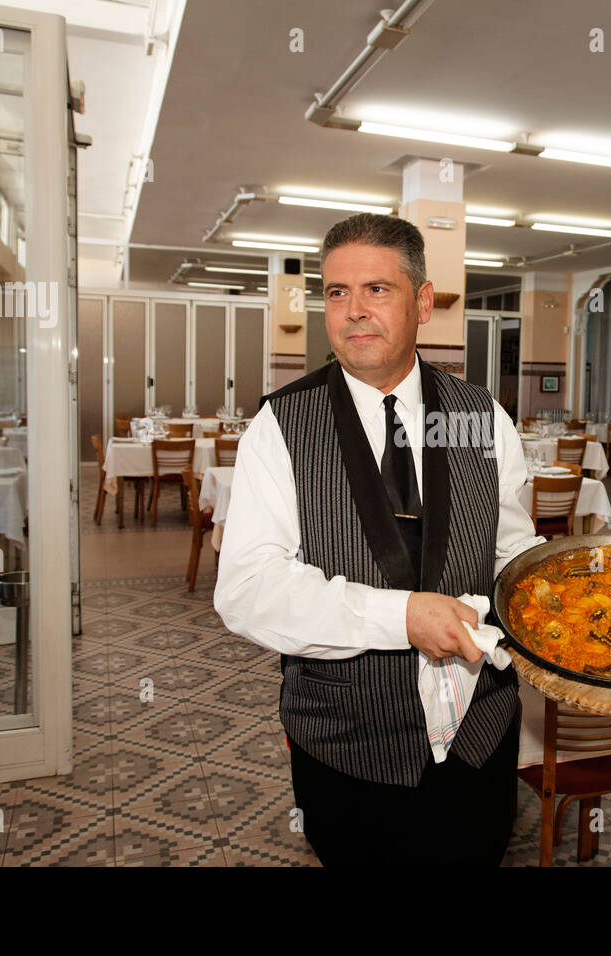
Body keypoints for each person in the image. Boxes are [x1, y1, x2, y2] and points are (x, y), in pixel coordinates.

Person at [213, 213, 546, 866]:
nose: (353, 311)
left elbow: (509, 552)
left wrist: (561, 597)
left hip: (480, 739)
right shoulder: (282, 426)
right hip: (348, 750)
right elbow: (248, 588)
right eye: (337, 292)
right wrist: (402, 615)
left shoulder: (481, 417)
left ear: (423, 301)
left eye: (377, 290)